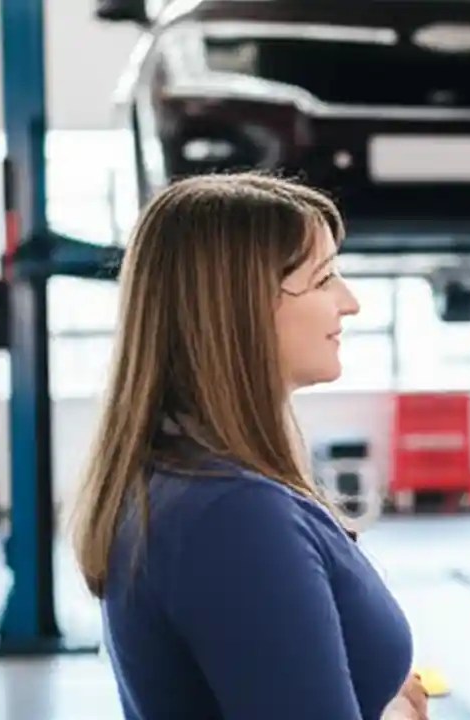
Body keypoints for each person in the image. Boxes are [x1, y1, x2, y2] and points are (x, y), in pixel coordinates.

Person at [69, 173, 430, 720]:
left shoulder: (179, 480)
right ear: (243, 306)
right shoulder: (235, 515)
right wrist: (399, 710)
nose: (349, 302)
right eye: (323, 278)